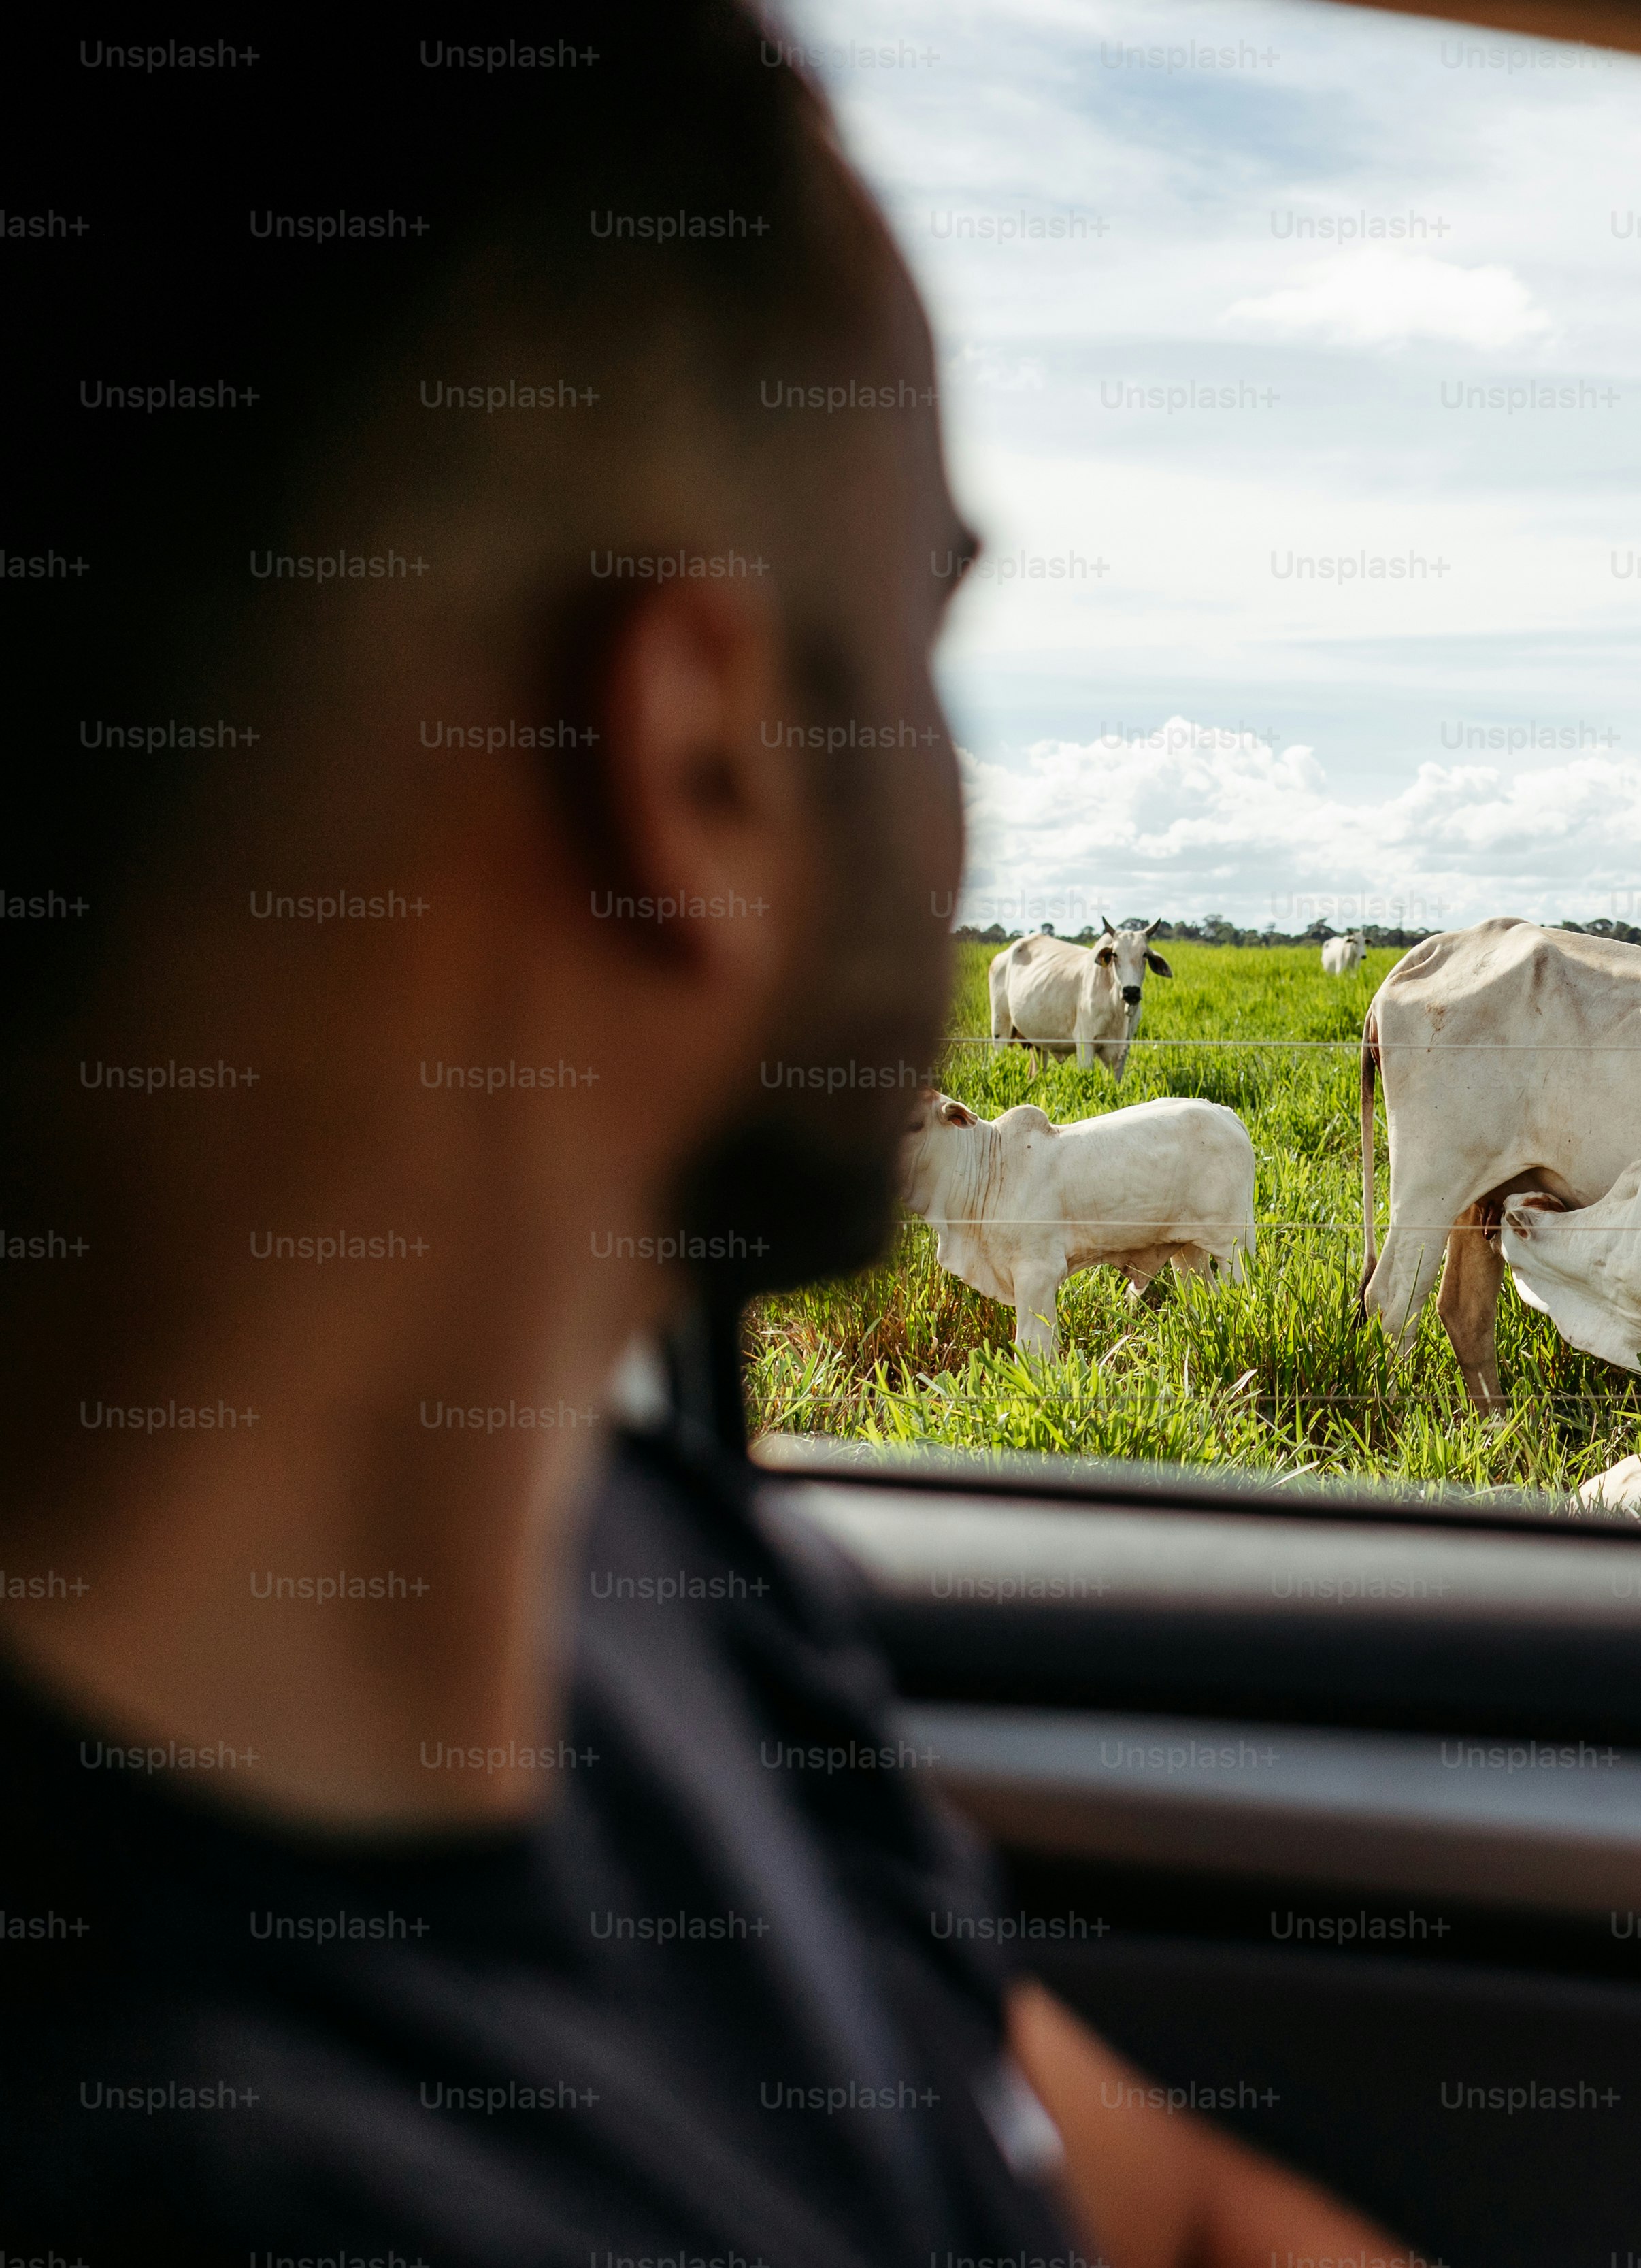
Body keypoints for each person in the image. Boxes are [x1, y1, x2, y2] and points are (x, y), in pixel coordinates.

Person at [0, 9, 1406, 2261]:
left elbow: (1171, 2216)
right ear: (705, 751)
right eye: (924, 641)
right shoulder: (203, 2171)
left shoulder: (654, 1571)